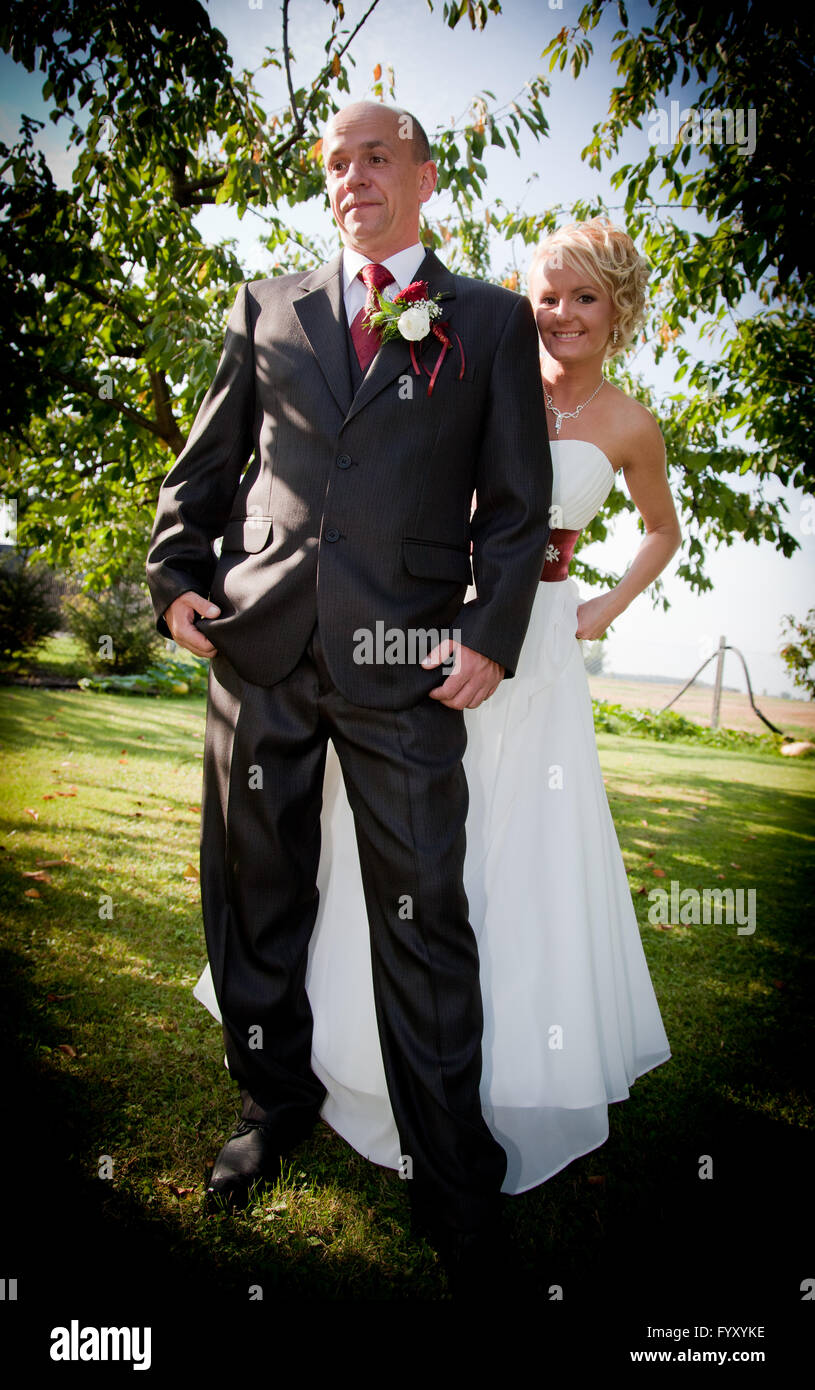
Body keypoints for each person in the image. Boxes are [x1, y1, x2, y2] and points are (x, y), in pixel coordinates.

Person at [146, 100, 551, 1279]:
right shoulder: (266, 304)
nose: (351, 176)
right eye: (334, 163)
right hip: (257, 645)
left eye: (375, 156)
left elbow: (518, 509)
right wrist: (177, 577)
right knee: (254, 888)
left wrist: (487, 634)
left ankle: (449, 1159)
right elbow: (208, 464)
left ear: (423, 174)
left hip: (407, 664)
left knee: (423, 914)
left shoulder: (487, 320)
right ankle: (272, 1105)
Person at [196, 216, 679, 1195]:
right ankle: (338, 1061)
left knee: (514, 839)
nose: (559, 313)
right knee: (387, 845)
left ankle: (501, 1075)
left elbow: (659, 532)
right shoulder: (463, 355)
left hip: (527, 634)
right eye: (547, 293)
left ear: (616, 309)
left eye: (583, 296)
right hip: (420, 628)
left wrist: (598, 604)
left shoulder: (628, 423)